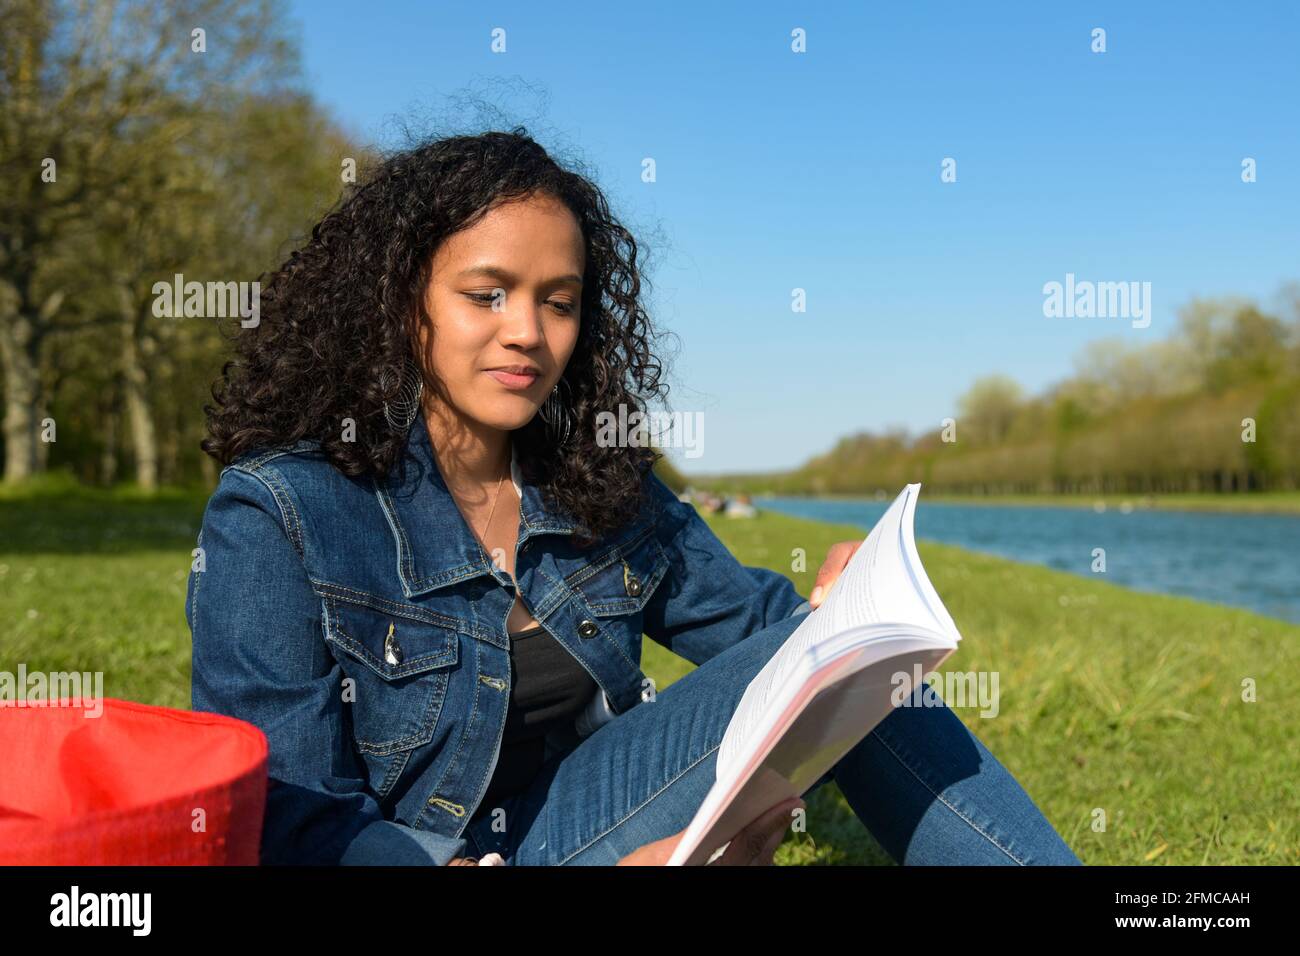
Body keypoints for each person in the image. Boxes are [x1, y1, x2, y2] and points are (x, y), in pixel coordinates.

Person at [187, 128, 1080, 866]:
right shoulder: (280, 509)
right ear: (402, 300)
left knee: (852, 647)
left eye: (559, 302)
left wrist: (843, 598)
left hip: (577, 823)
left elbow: (750, 621)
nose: (527, 333)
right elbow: (289, 825)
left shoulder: (590, 476)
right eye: (486, 294)